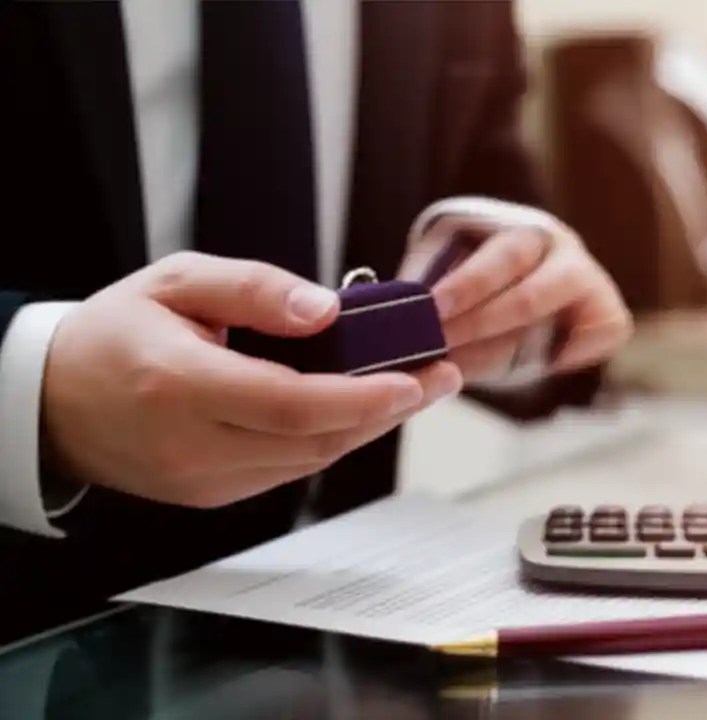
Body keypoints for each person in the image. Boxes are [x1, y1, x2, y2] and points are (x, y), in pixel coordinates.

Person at [0, 0, 633, 642]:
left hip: (347, 622)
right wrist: (28, 387)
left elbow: (485, 171)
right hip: (37, 631)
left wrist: (525, 302)